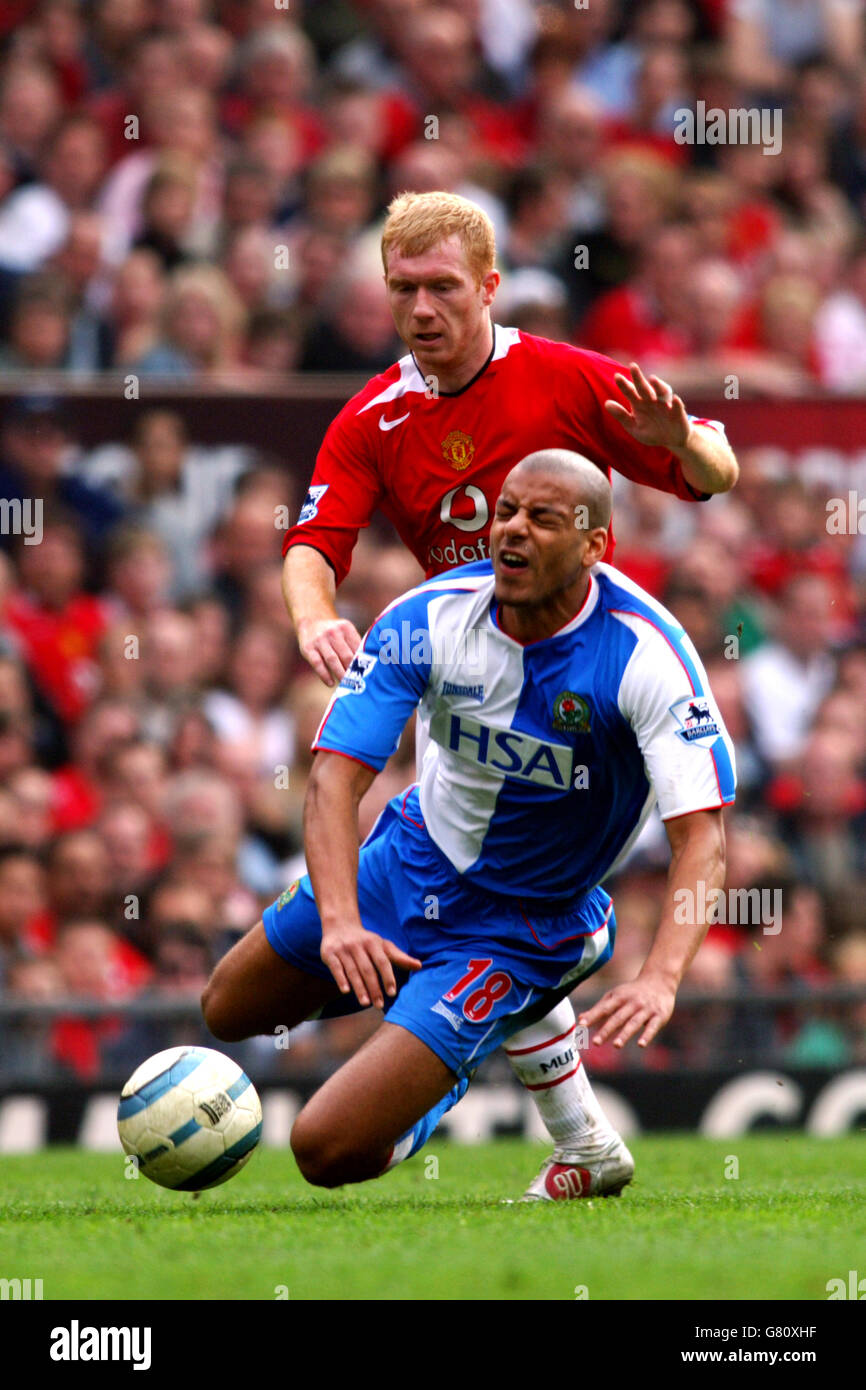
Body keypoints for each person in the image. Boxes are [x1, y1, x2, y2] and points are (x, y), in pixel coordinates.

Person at [278, 189, 739, 1197]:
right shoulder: (372, 417)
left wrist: (684, 442)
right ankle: (575, 1131)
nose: (421, 308)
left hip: (571, 682)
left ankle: (490, 1008)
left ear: (487, 287)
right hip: (462, 678)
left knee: (516, 895)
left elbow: (714, 472)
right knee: (234, 1006)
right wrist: (314, 615)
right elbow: (314, 546)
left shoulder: (564, 380)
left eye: (442, 286)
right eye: (402, 289)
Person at [203, 451, 736, 1200]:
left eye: (542, 518)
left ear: (594, 546)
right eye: (506, 510)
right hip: (409, 859)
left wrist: (661, 977)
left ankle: (462, 1054)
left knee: (325, 1151)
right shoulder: (427, 617)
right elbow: (331, 781)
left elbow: (703, 839)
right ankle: (552, 1086)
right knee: (227, 1008)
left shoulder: (647, 656)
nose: (511, 531)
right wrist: (340, 922)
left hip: (525, 925)